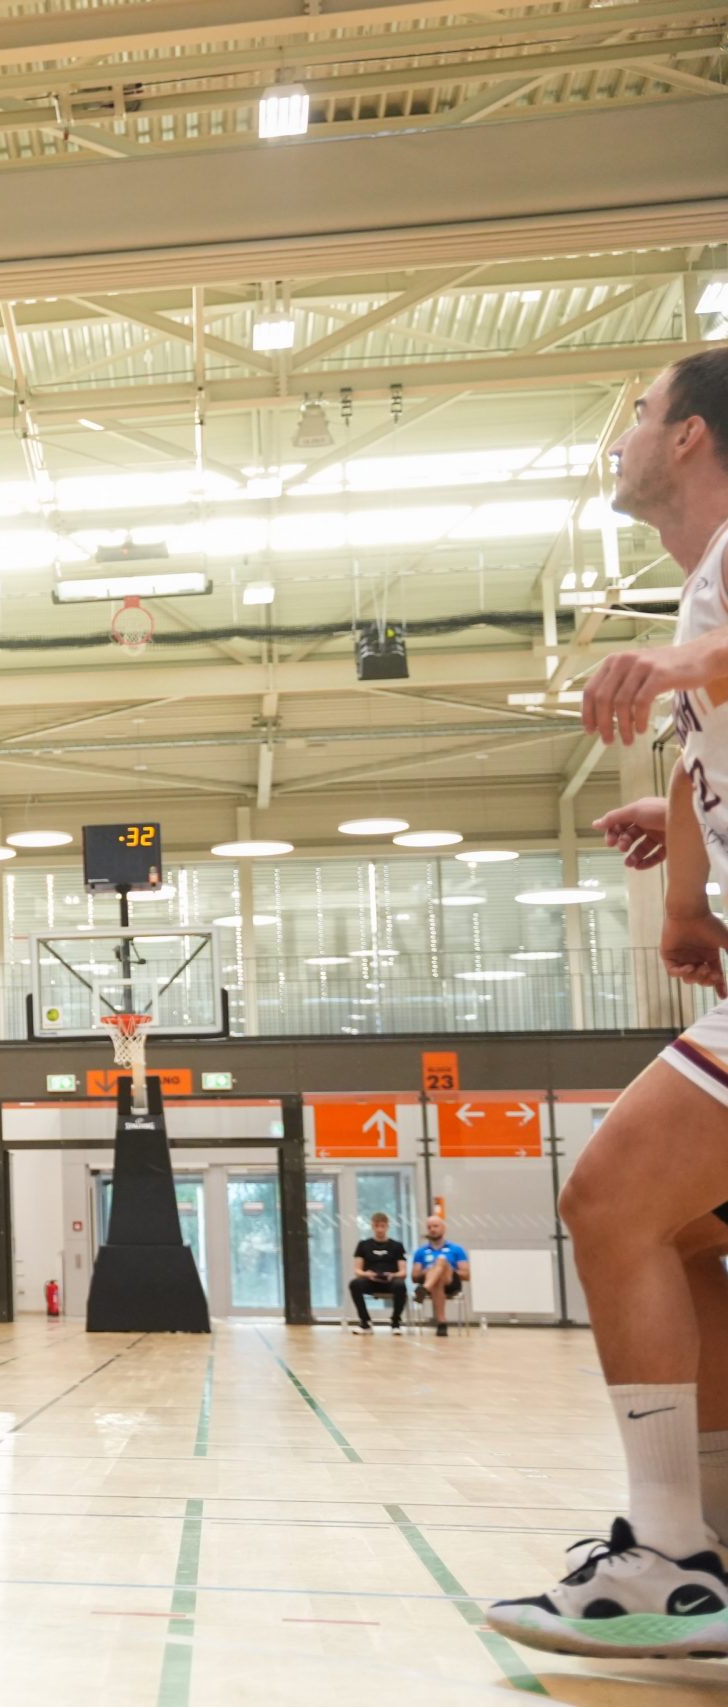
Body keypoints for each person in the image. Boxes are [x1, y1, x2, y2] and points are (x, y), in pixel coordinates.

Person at [482, 348, 728, 1659]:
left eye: (637, 416)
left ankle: (671, 1556)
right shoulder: (703, 583)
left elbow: (716, 674)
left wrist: (686, 658)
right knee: (678, 1229)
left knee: (608, 1200)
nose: (619, 440)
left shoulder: (721, 580)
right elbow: (708, 756)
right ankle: (708, 1538)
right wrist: (683, 875)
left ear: (690, 436)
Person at [348, 1211, 409, 1332]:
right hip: (371, 1281)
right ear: (372, 1226)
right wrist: (367, 1274)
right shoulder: (363, 1245)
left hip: (390, 1281)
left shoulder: (397, 1246)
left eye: (382, 1226)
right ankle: (365, 1322)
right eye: (377, 1226)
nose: (380, 1229)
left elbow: (403, 1272)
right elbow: (357, 1270)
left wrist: (393, 1275)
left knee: (400, 1285)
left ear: (387, 1227)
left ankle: (395, 1322)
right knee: (354, 1284)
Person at [410, 1214, 470, 1335]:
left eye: (435, 1226)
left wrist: (444, 1269)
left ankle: (424, 1289)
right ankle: (442, 1323)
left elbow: (466, 1275)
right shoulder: (420, 1252)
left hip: (451, 1281)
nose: (432, 1229)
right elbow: (414, 1277)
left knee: (441, 1261)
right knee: (437, 1279)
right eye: (429, 1227)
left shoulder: (456, 1249)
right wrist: (428, 1271)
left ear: (443, 1228)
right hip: (432, 1282)